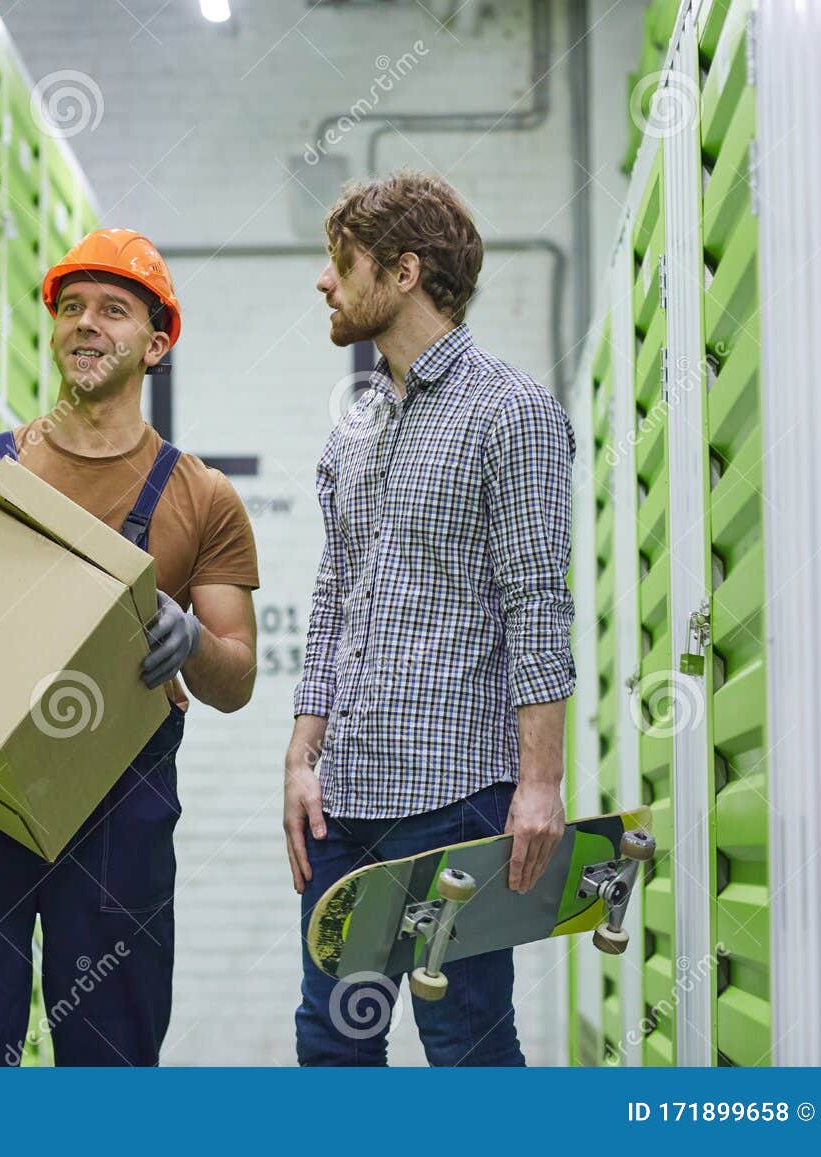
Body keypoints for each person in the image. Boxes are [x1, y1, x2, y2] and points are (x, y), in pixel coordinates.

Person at [0, 228, 260, 1066]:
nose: (86, 323)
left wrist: (191, 642)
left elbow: (237, 675)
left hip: (120, 810)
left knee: (112, 1056)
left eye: (113, 309)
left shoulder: (201, 497)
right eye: (71, 306)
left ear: (156, 343)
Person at [284, 171, 576, 1066]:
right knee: (332, 1039)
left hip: (458, 799)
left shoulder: (512, 411)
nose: (325, 282)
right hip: (345, 802)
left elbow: (538, 601)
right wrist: (301, 756)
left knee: (465, 1043)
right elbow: (333, 598)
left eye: (342, 263)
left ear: (404, 271)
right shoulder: (357, 427)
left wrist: (541, 783)